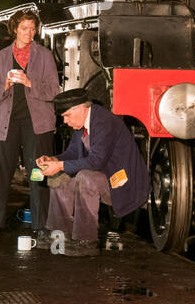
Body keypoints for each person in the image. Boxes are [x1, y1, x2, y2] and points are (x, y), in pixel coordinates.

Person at [0, 9, 61, 242]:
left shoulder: (45, 56)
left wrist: (30, 83)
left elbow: (53, 91)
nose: (29, 33)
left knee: (38, 174)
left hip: (37, 124)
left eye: (32, 28)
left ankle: (42, 227)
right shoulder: (0, 58)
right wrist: (6, 85)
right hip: (6, 124)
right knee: (0, 174)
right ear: (14, 30)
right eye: (24, 28)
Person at [36, 89, 149, 257]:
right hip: (105, 176)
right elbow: (72, 154)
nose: (65, 121)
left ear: (80, 109)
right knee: (60, 177)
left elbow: (96, 162)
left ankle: (86, 241)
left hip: (124, 183)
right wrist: (53, 160)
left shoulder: (104, 122)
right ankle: (59, 233)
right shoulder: (82, 123)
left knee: (85, 177)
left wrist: (60, 165)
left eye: (66, 116)